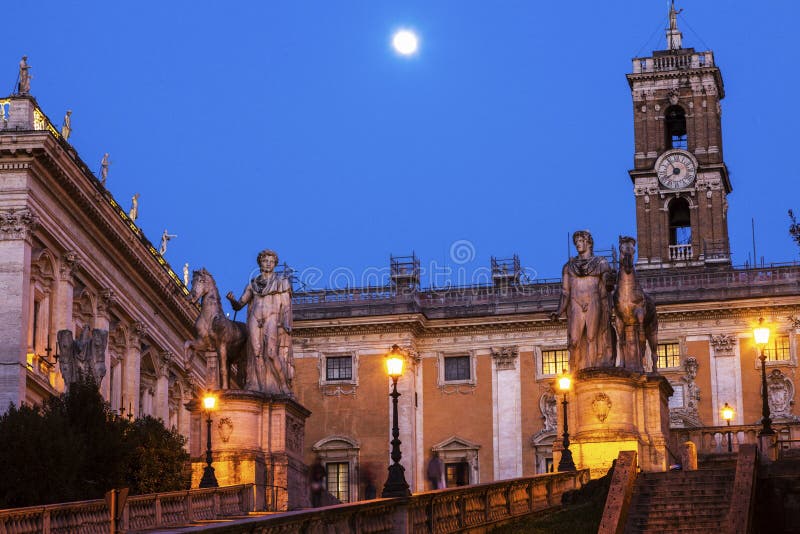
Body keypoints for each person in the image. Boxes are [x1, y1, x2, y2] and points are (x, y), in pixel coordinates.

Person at [227, 249, 293, 394]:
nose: (268, 264)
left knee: (271, 352)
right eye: (265, 261)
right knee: (256, 353)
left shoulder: (281, 282)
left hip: (272, 317)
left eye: (271, 261)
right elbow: (239, 305)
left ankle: (283, 386)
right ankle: (261, 389)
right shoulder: (252, 284)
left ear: (275, 264)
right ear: (260, 263)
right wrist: (232, 300)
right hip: (255, 318)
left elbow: (286, 306)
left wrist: (285, 323)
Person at [550, 230, 614, 370]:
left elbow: (607, 284)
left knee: (592, 337)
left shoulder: (601, 262)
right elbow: (565, 292)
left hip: (593, 302)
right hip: (576, 304)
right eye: (576, 242)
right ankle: (575, 371)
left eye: (580, 241)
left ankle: (592, 369)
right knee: (574, 340)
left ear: (588, 243)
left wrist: (609, 280)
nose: (578, 244)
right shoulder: (569, 267)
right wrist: (559, 311)